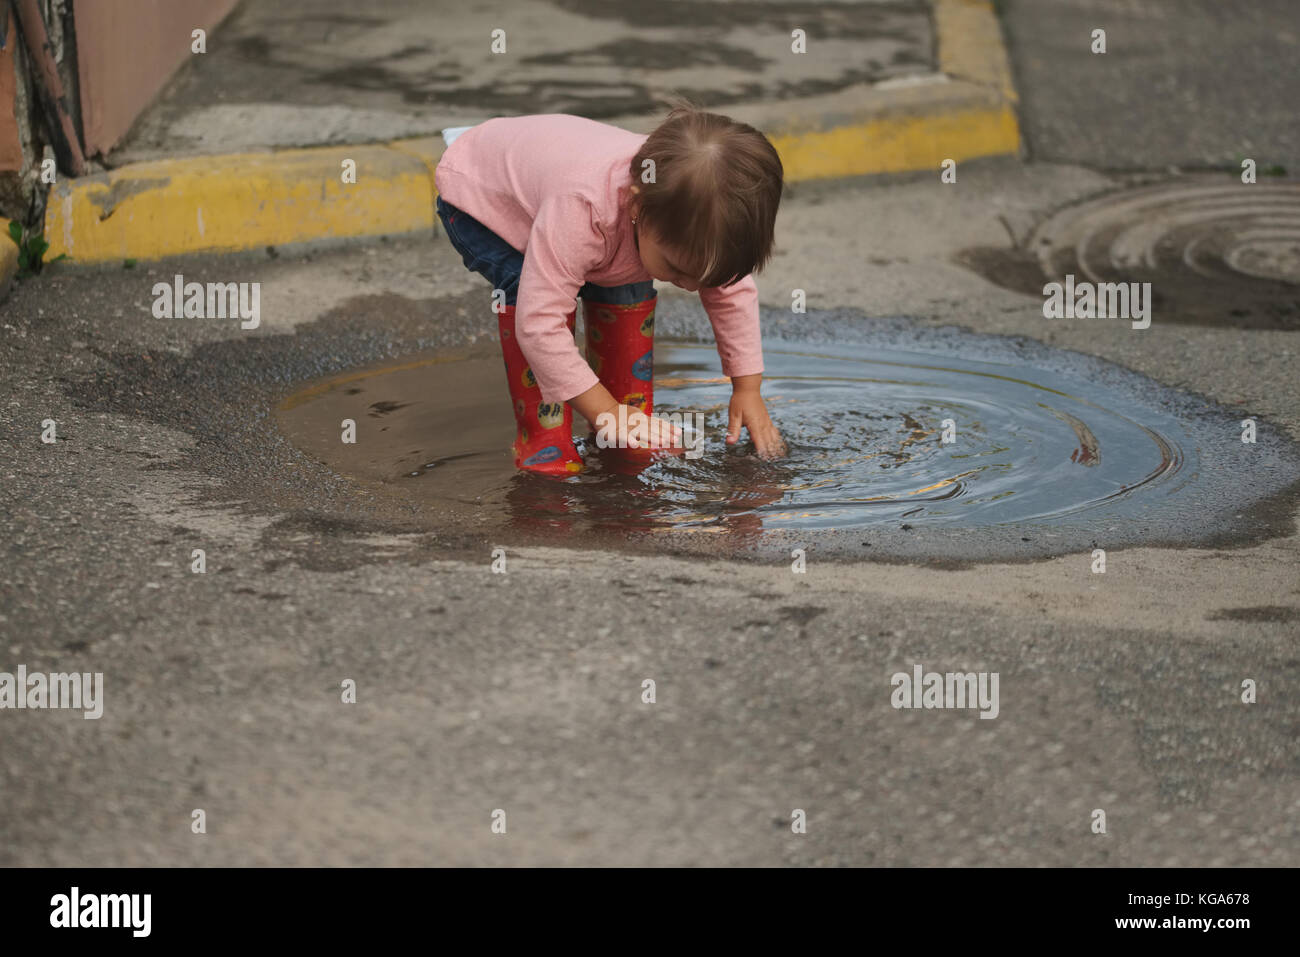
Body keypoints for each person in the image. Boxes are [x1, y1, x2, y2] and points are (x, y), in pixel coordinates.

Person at [434, 103, 786, 475]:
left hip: (572, 207)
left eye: (705, 277)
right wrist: (605, 411)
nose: (689, 287)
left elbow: (731, 292)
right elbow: (539, 323)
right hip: (483, 199)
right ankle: (543, 441)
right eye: (678, 270)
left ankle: (628, 424)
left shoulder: (677, 213)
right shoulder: (582, 206)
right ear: (637, 205)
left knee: (627, 276)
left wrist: (747, 388)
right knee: (530, 293)